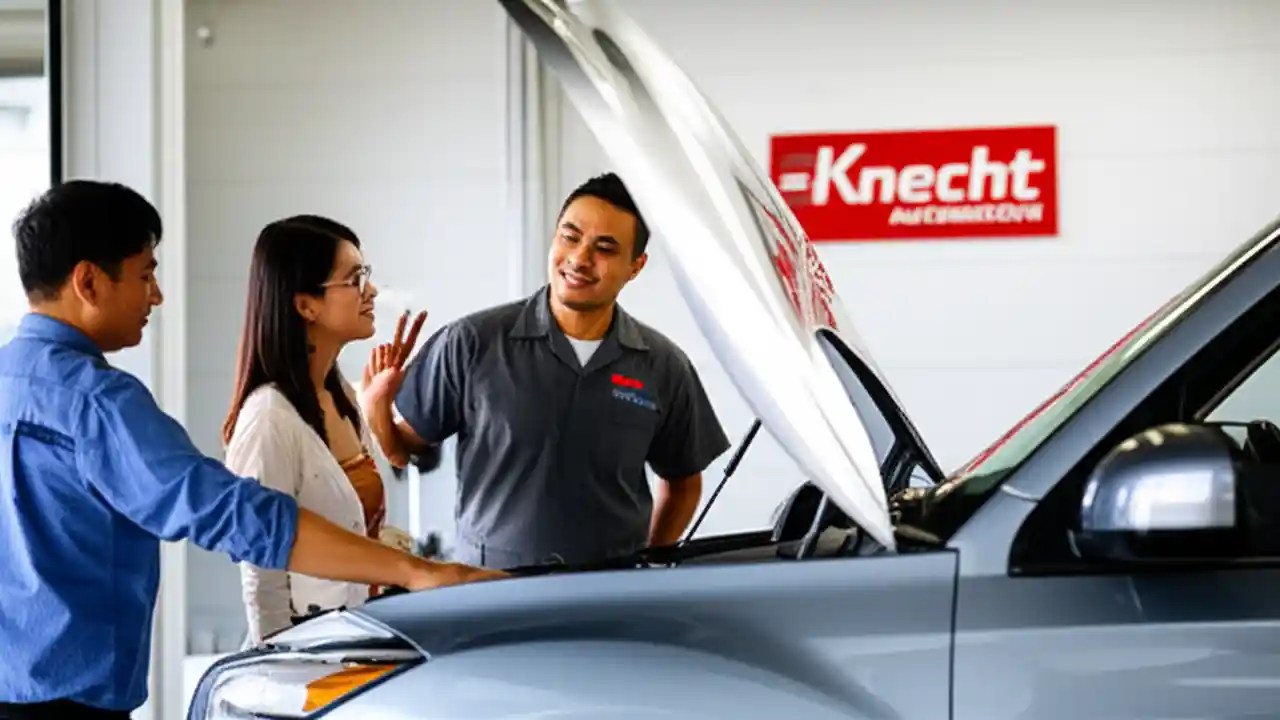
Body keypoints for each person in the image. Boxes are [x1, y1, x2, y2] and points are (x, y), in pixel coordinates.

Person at [0, 181, 502, 719]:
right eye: (146, 274)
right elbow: (234, 516)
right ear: (88, 282)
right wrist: (415, 572)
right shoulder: (98, 403)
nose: (157, 295)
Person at [362, 172, 731, 569]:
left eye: (604, 248)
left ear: (635, 266)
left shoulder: (663, 366)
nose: (579, 258)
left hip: (611, 593)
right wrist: (376, 408)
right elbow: (403, 451)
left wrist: (652, 562)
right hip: (490, 587)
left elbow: (683, 483)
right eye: (570, 237)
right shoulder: (472, 342)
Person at [221, 215, 429, 645]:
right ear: (305, 305)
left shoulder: (342, 398)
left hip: (359, 638)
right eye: (355, 279)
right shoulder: (268, 419)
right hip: (303, 659)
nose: (370, 291)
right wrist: (277, 674)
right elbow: (262, 579)